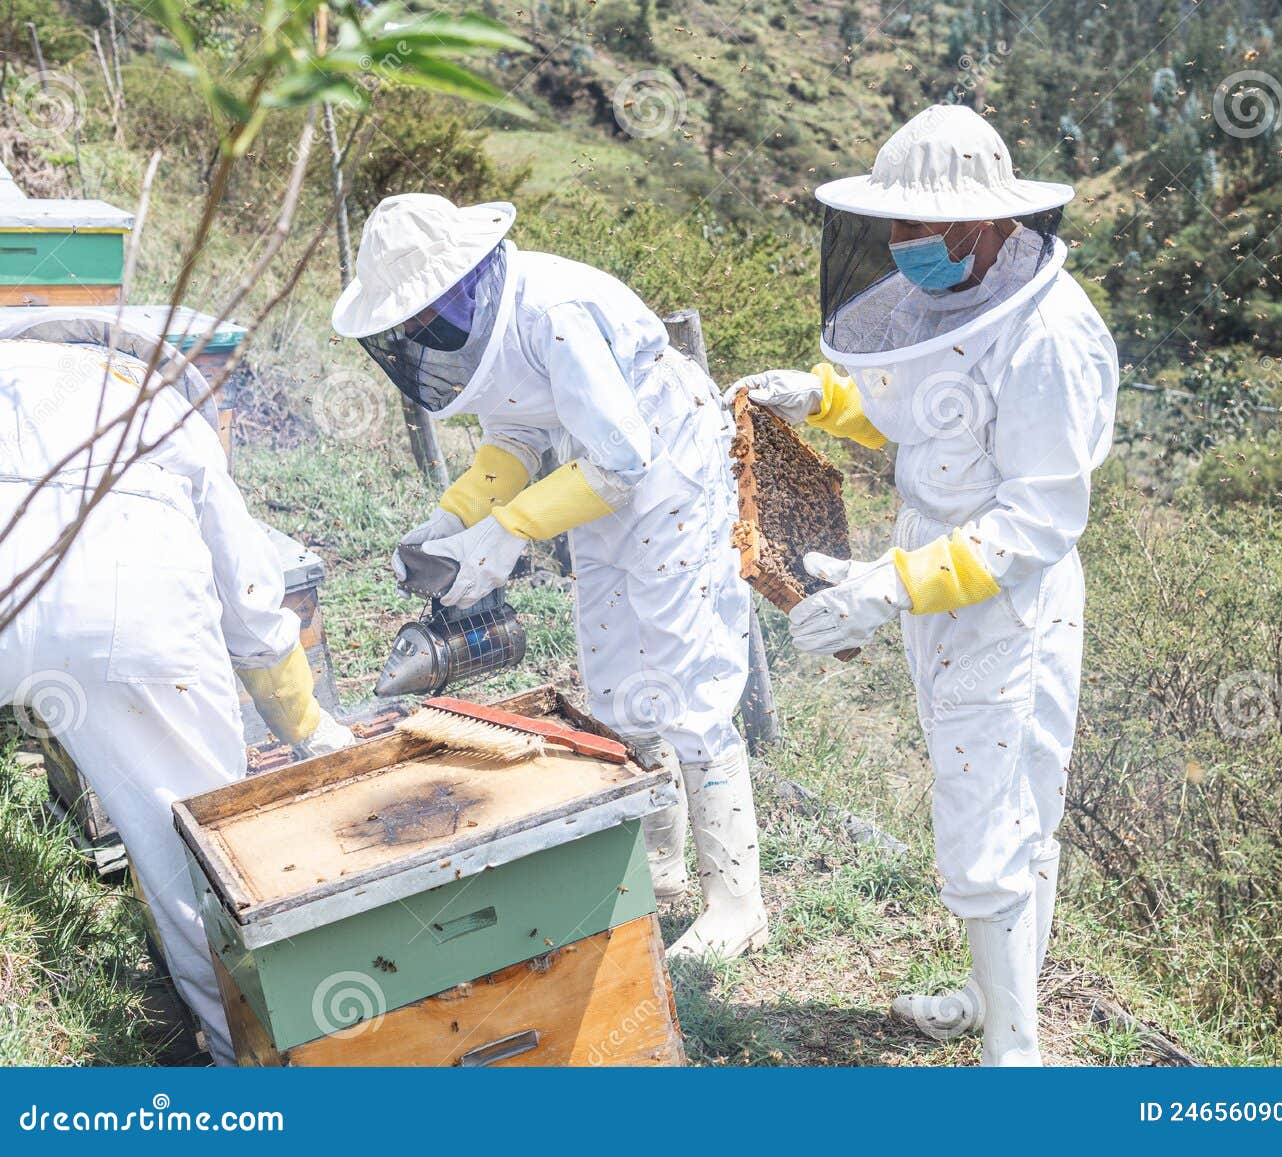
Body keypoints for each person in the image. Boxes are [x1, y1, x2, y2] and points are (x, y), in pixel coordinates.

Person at [730, 104, 1119, 1065]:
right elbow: (925, 421)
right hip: (933, 579)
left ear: (985, 225)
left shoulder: (1050, 335)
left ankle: (1014, 1058)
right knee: (994, 797)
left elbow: (1035, 520)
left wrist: (884, 590)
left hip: (1006, 601)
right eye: (891, 226)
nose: (899, 246)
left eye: (918, 228)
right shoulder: (944, 298)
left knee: (994, 814)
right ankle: (997, 1003)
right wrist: (823, 399)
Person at [330, 195, 765, 959]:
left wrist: (508, 531)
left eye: (429, 310)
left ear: (465, 278)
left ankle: (736, 904)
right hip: (590, 469)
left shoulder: (551, 313)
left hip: (667, 459)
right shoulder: (477, 329)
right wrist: (457, 517)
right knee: (613, 666)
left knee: (684, 667)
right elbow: (517, 435)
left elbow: (626, 460)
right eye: (411, 319)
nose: (424, 330)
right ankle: (660, 863)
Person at [0, 337, 354, 1065]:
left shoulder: (18, 374)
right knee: (201, 866)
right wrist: (305, 723)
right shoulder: (160, 400)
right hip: (136, 606)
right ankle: (255, 1066)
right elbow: (253, 607)